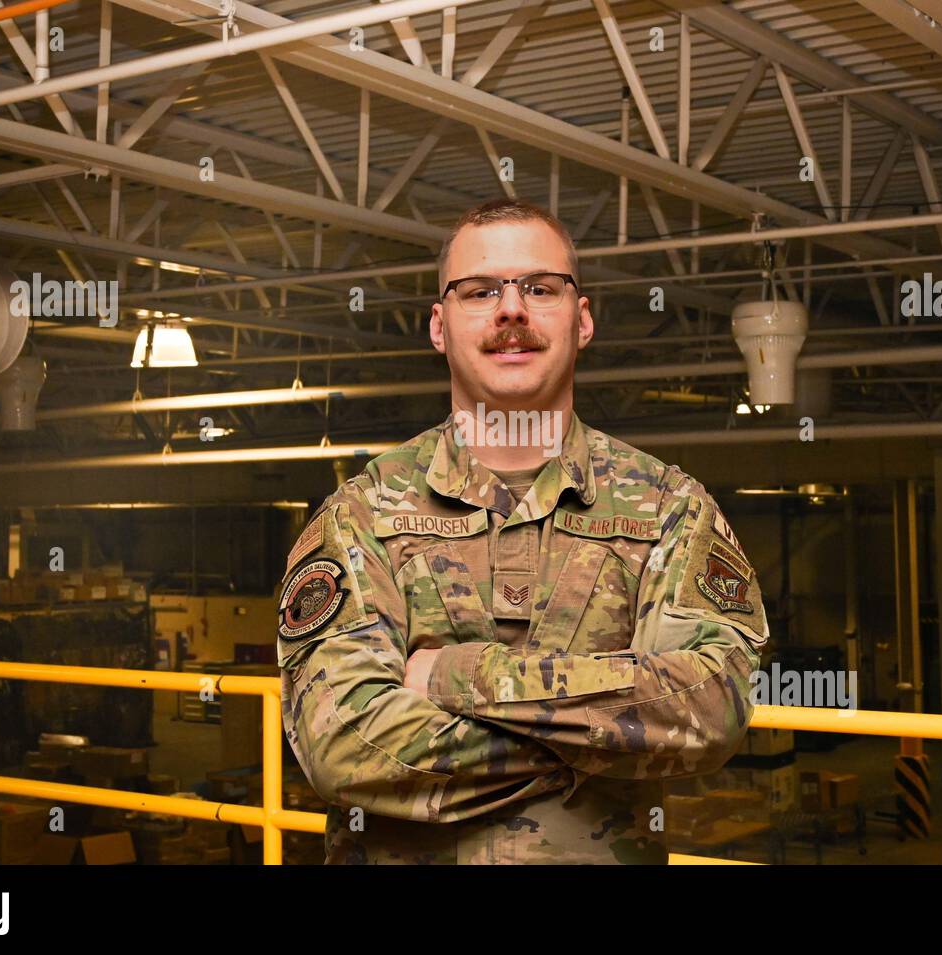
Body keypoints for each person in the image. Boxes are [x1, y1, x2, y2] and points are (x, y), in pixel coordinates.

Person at [276, 197, 768, 864]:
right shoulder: (361, 514)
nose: (512, 310)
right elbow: (345, 745)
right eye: (480, 291)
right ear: (439, 326)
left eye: (540, 287)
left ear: (583, 319)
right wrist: (599, 740)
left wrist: (455, 676)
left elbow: (709, 705)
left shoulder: (667, 507)